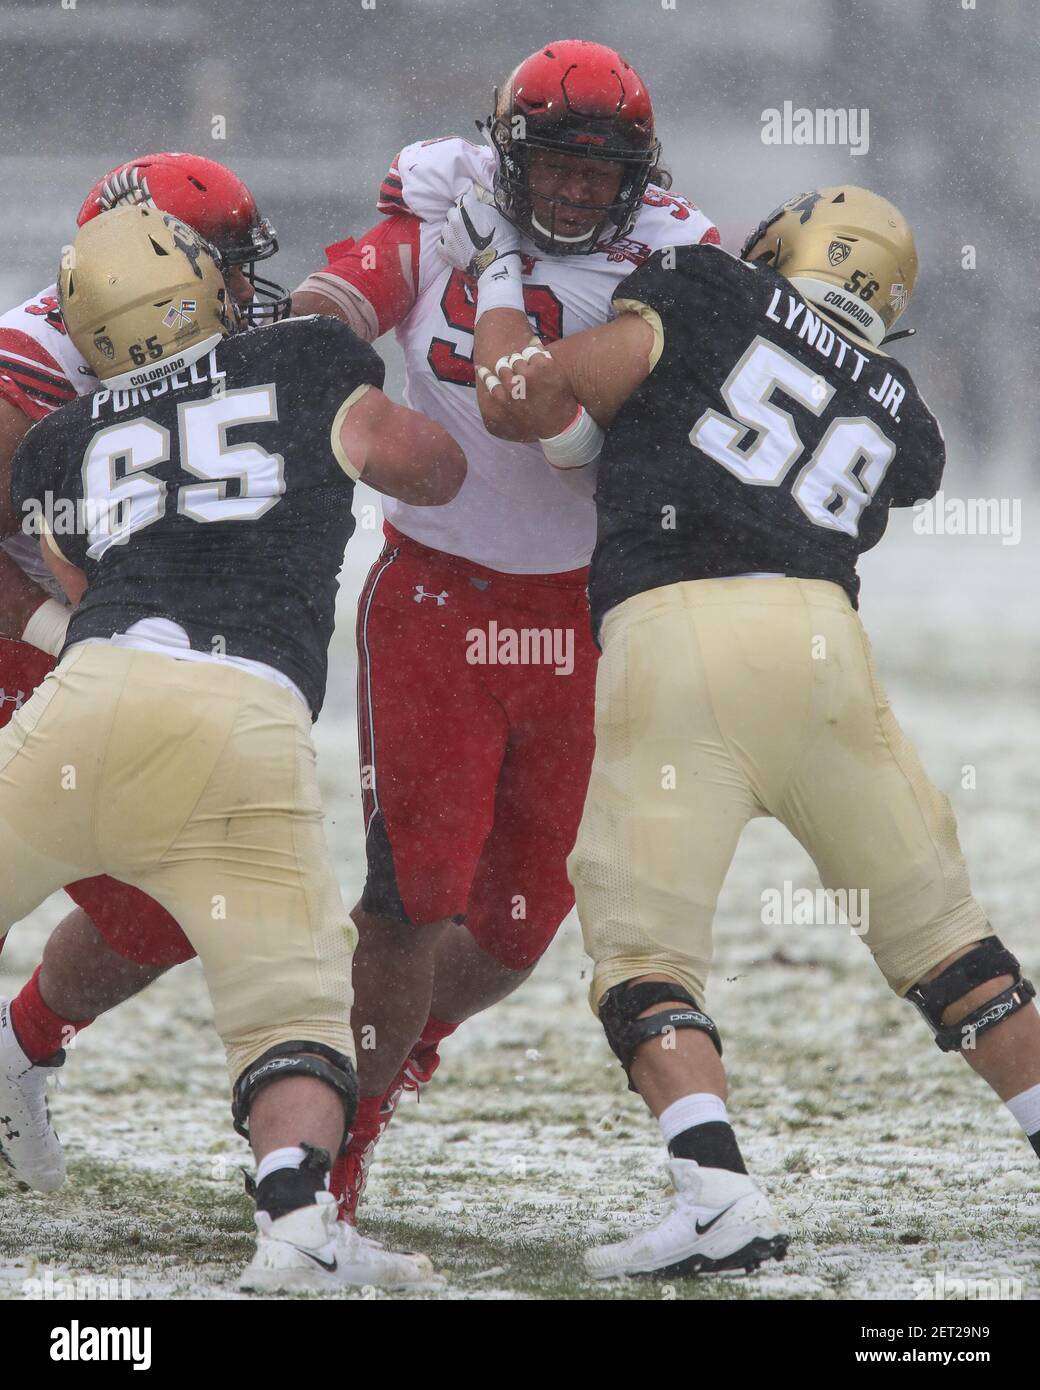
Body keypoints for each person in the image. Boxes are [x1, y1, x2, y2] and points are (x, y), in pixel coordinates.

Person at [456, 184, 1040, 1278]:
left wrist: (493, 281)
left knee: (641, 955)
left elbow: (520, 397)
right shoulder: (898, 405)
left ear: (779, 248)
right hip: (825, 648)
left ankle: (717, 1196)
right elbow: (662, 435)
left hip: (681, 635)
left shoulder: (707, 290)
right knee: (947, 943)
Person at [292, 37, 720, 1221]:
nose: (581, 189)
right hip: (439, 594)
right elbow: (355, 282)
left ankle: (392, 1048)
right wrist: (313, 329)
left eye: (605, 169)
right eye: (559, 164)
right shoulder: (447, 199)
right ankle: (336, 1149)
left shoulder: (679, 252)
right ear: (508, 152)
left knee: (522, 922)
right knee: (408, 898)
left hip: (583, 614)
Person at [1, 203, 465, 1290]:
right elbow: (430, 469)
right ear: (193, 289)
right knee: (290, 1006)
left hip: (89, 694)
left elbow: (77, 582)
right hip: (242, 714)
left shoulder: (64, 436)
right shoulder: (306, 360)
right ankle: (297, 1223)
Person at [0, 154, 292, 1195]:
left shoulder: (227, 346)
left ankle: (16, 1049)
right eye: (219, 265)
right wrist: (60, 629)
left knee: (161, 909)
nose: (241, 293)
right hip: (32, 630)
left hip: (105, 641)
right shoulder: (29, 371)